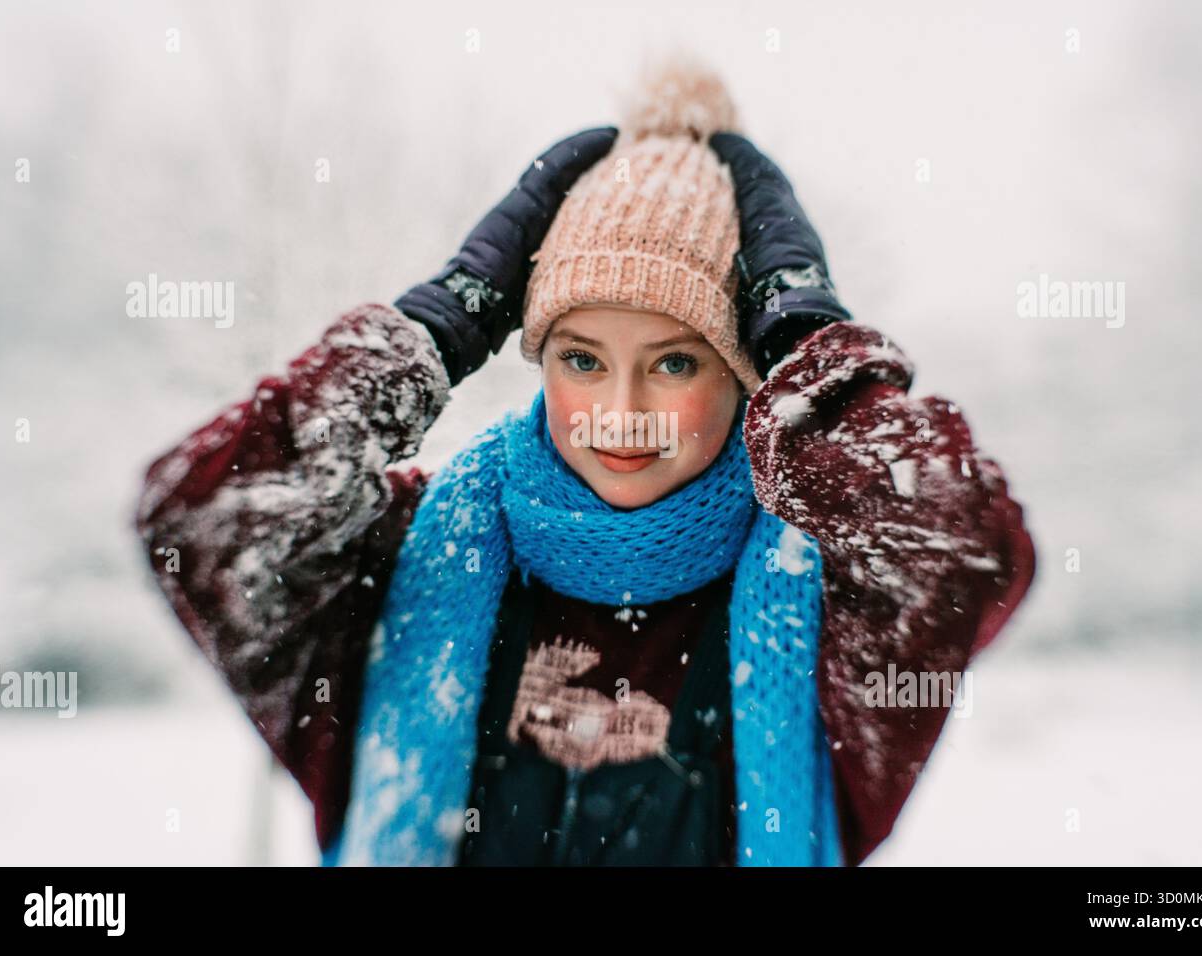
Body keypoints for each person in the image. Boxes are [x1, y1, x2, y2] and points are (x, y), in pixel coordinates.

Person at [134, 60, 1035, 867]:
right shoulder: (397, 561)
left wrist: (810, 348)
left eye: (675, 362)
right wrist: (430, 331)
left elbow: (967, 549)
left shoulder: (833, 609)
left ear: (746, 374)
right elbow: (201, 516)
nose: (620, 410)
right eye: (581, 357)